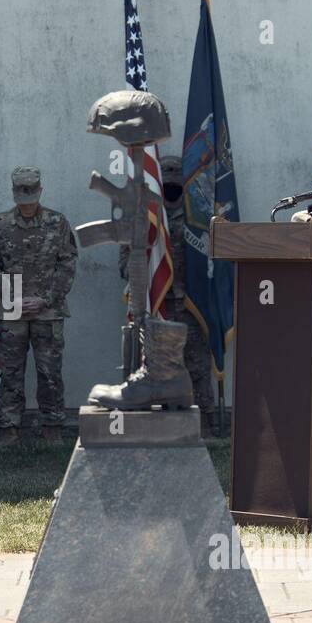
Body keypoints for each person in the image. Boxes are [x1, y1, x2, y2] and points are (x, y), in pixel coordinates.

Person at [119, 155, 217, 433]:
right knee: (154, 369)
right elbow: (125, 265)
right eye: (167, 181)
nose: (172, 186)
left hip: (192, 306)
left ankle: (204, 425)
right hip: (156, 306)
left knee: (196, 366)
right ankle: (157, 426)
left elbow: (214, 264)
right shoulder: (146, 217)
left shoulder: (198, 217)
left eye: (177, 180)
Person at [0, 167, 78, 445]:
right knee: (11, 371)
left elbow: (67, 264)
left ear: (40, 191)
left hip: (47, 312)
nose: (26, 201)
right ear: (13, 193)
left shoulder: (57, 223)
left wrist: (45, 299)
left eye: (31, 194)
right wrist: (13, 298)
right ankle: (10, 428)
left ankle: (52, 427)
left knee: (50, 372)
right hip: (11, 312)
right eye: (21, 195)